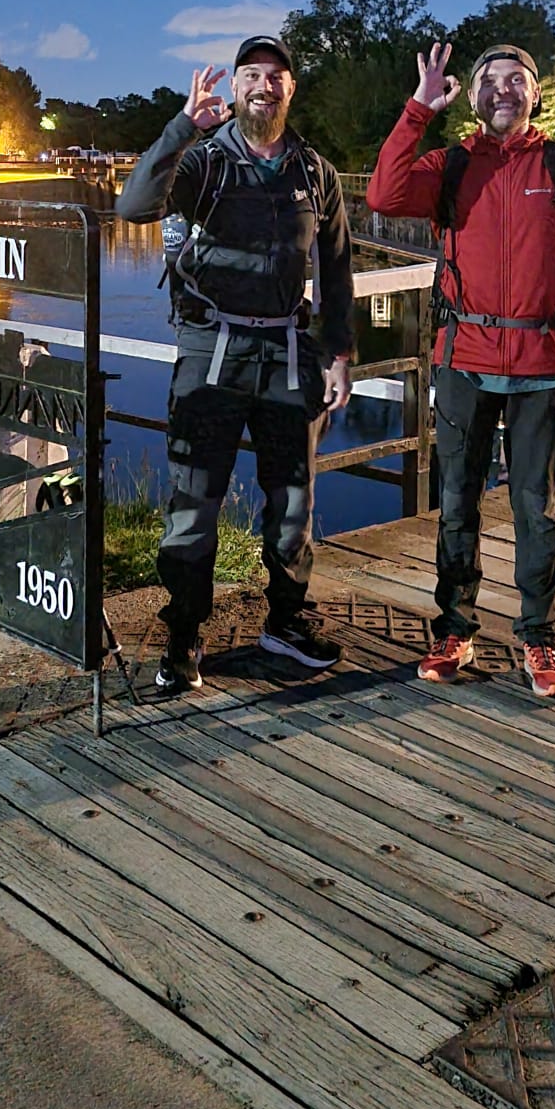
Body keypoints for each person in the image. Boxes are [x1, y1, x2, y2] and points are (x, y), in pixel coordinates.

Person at [366, 41, 555, 699]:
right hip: (464, 363)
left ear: (534, 93)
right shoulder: (451, 165)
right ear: (473, 98)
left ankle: (539, 639)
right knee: (456, 507)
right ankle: (455, 630)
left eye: (516, 80)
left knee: (535, 509)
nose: (504, 89)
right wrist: (418, 109)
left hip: (540, 364)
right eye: (490, 81)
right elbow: (383, 194)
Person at [116, 35, 355, 693]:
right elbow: (133, 206)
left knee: (292, 505)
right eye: (251, 74)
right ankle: (185, 636)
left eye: (275, 76)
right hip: (210, 353)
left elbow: (336, 268)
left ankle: (286, 624)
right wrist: (179, 126)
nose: (263, 85)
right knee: (195, 506)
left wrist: (338, 353)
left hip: (287, 354)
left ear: (290, 90)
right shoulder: (203, 163)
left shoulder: (314, 171)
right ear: (238, 88)